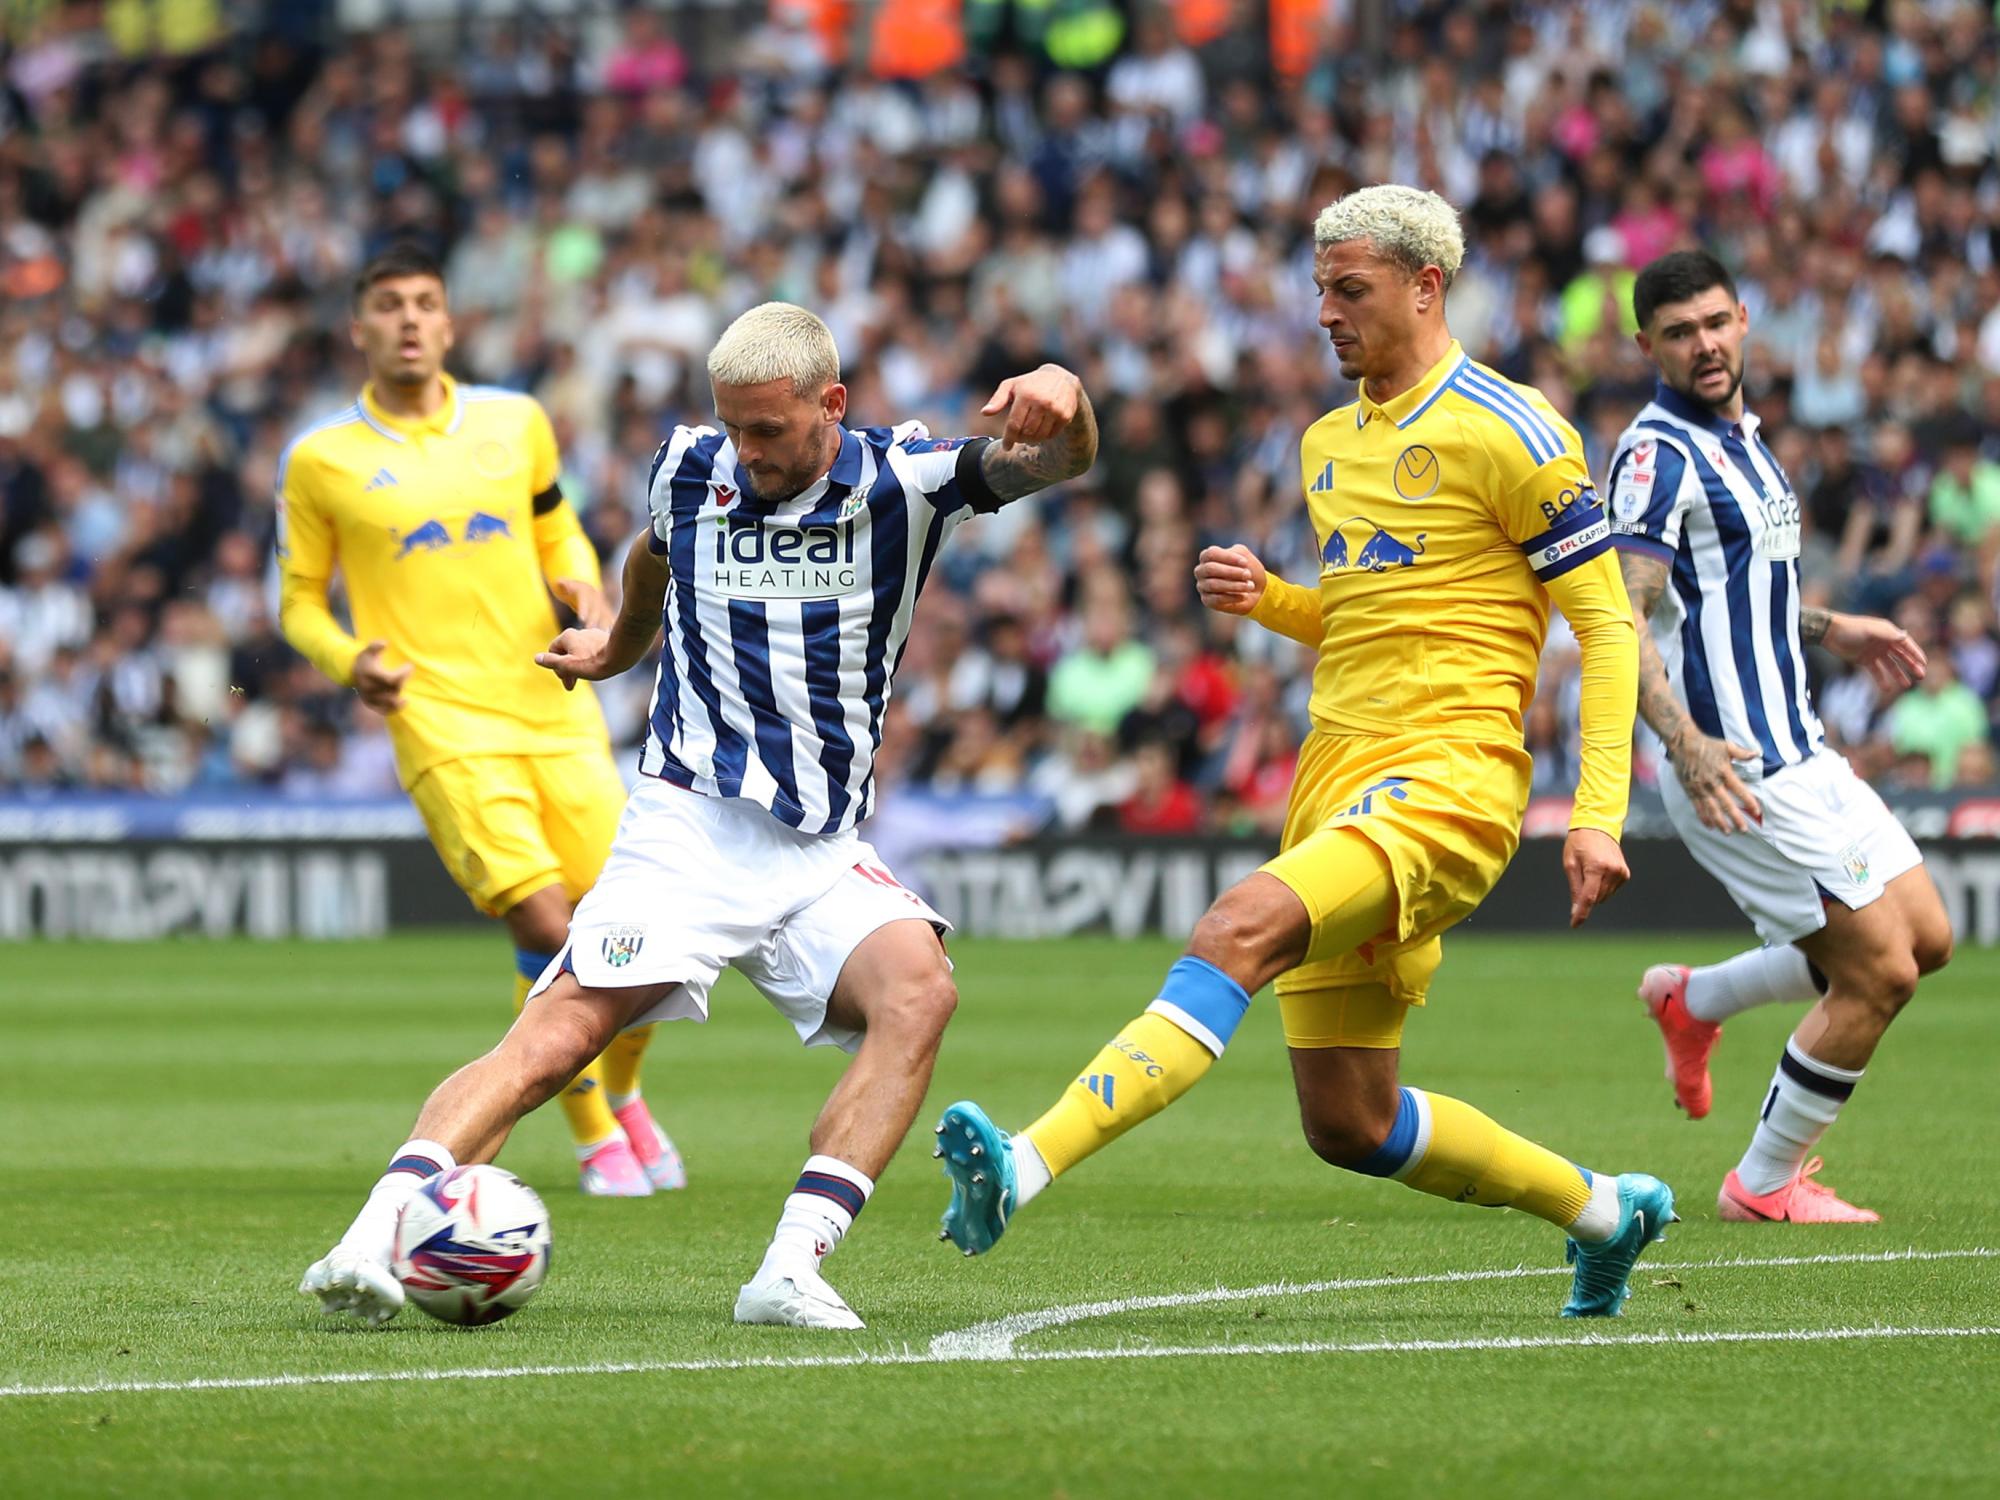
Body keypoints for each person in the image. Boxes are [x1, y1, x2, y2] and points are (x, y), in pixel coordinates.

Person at [936, 185, 1677, 1319]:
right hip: (1338, 773)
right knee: (1349, 1122)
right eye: (1318, 290)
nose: (1323, 313)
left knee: (1233, 928)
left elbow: (1605, 625)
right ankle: (1600, 1209)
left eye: (1350, 290)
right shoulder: (1328, 442)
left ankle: (1024, 1165)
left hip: (1448, 780)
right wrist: (1276, 600)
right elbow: (1377, 610)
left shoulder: (1512, 426)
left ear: (1425, 287)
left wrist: (1594, 812)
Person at [299, 301, 1097, 1329]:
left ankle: (789, 1269)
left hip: (819, 844)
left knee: (919, 991)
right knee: (553, 1045)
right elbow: (652, 554)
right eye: (733, 427)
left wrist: (1066, 399)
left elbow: (1057, 463)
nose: (747, 452)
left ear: (831, 403)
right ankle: (368, 1240)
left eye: (769, 429)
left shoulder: (906, 482)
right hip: (689, 825)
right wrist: (614, 648)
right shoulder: (689, 466)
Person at [276, 245, 681, 1199]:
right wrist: (351, 660)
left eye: (425, 302)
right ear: (360, 328)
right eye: (388, 304)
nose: (409, 319)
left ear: (451, 322)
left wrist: (582, 580)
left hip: (554, 699)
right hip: (440, 722)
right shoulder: (321, 459)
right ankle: (592, 1138)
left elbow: (555, 524)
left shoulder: (516, 421)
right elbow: (297, 603)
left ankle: (622, 1091)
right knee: (552, 924)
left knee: (645, 931)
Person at [1608, 249, 1953, 1224]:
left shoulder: (1743, 438)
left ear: (1744, 319)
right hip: (1732, 762)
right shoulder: (1655, 454)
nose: (1703, 344)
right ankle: (1760, 1182)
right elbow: (1623, 615)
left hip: (1798, 743)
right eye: (1678, 332)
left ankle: (1694, 999)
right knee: (1876, 970)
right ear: (1647, 346)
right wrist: (1681, 743)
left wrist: (1828, 626)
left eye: (1714, 322)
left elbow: (1729, 589)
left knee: (1923, 938)